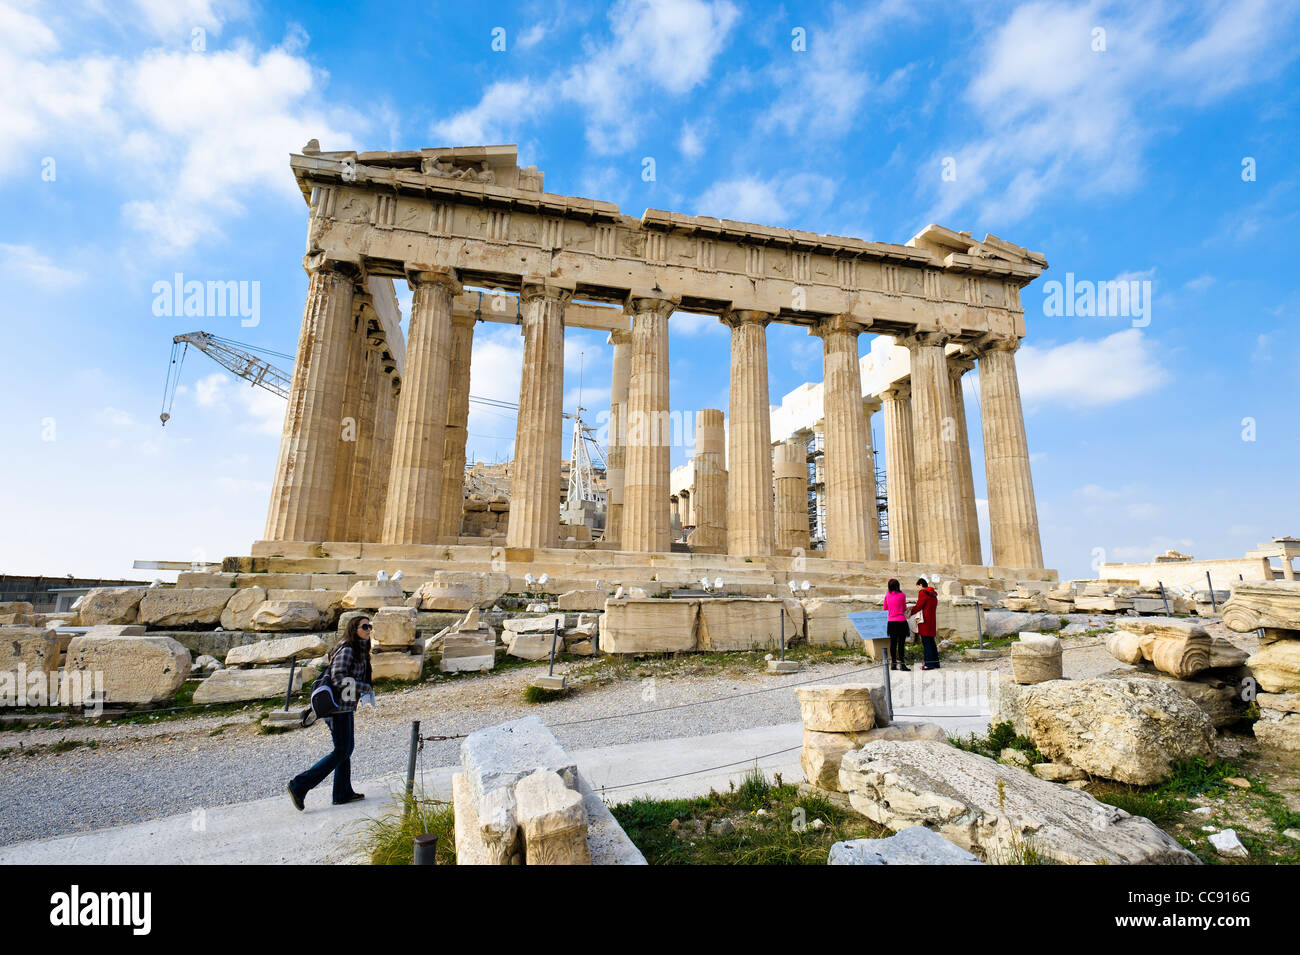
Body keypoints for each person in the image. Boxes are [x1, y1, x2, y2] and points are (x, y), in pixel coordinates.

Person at [287, 615, 372, 809]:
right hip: (338, 708)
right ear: (354, 629)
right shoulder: (348, 649)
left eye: (370, 626)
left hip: (344, 705)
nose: (368, 630)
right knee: (342, 750)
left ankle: (342, 792)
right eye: (364, 626)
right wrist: (363, 687)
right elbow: (338, 678)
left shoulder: (357, 648)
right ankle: (299, 785)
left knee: (345, 750)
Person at [909, 578, 940, 670]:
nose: (918, 588)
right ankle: (936, 663)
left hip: (924, 621)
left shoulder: (923, 593)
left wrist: (911, 612)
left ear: (921, 585)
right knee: (931, 642)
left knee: (926, 643)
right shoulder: (934, 594)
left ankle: (929, 664)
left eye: (918, 586)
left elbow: (919, 605)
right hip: (932, 621)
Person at [883, 578, 910, 671]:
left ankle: (893, 664)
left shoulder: (887, 595)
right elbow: (904, 608)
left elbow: (885, 608)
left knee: (893, 643)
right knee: (901, 644)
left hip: (891, 622)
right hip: (901, 621)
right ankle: (902, 664)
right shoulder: (902, 595)